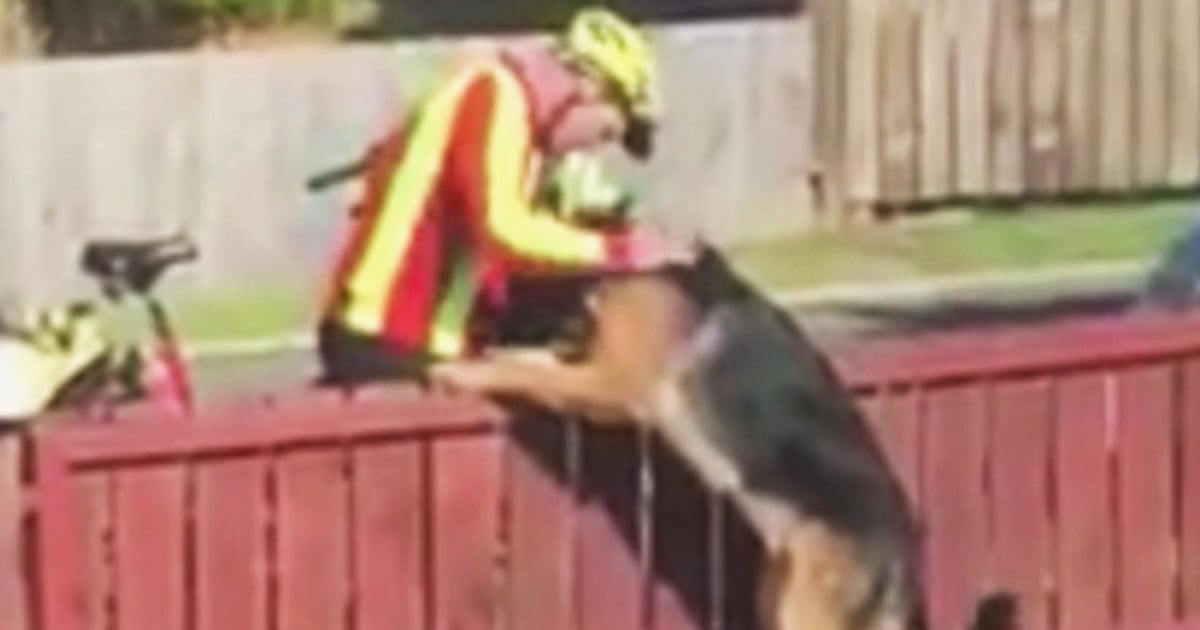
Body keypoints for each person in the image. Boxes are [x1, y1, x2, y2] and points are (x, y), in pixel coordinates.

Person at [317, 6, 691, 385]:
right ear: (589, 88)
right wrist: (620, 252)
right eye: (606, 132)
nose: (595, 148)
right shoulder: (494, 95)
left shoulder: (524, 127)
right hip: (385, 335)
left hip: (421, 340)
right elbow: (505, 230)